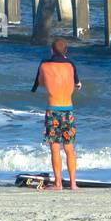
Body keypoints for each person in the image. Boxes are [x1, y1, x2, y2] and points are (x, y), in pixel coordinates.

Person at [31, 38, 82, 191]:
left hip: (53, 110)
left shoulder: (44, 64)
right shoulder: (71, 65)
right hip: (68, 110)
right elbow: (77, 84)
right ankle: (73, 184)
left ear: (52, 51)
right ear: (66, 51)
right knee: (69, 148)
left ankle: (58, 183)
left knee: (55, 147)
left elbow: (39, 83)